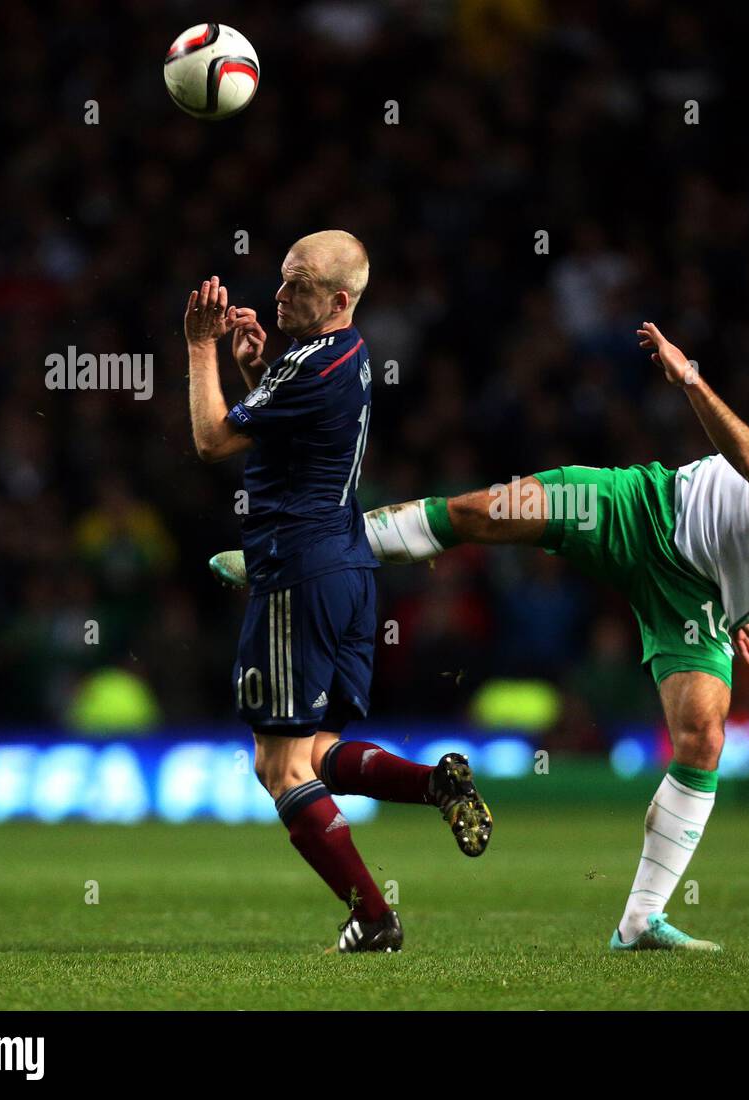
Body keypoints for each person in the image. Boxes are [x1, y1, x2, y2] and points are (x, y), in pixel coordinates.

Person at [211, 322, 749, 951]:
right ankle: (295, 553)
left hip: (699, 596)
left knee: (703, 738)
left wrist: (691, 381)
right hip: (646, 506)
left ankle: (642, 920)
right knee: (489, 510)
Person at [185, 230, 492, 955]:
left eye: (298, 285)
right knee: (317, 748)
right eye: (284, 279)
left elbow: (211, 441)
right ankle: (434, 786)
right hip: (347, 572)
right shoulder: (340, 356)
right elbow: (289, 426)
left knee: (278, 765)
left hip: (298, 573)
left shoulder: (313, 365)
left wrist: (200, 347)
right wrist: (261, 375)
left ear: (340, 301)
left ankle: (375, 918)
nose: (280, 293)